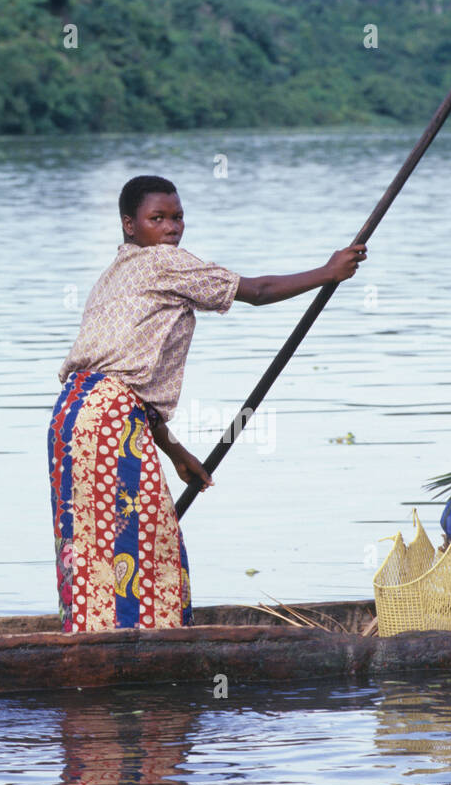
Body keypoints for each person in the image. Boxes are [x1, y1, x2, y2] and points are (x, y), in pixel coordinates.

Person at [49, 175, 366, 633]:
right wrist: (327, 272)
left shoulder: (112, 276)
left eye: (177, 217)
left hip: (71, 417)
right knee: (147, 544)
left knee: (94, 544)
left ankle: (98, 634)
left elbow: (121, 380)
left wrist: (176, 454)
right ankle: (145, 644)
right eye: (157, 218)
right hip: (107, 420)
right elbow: (257, 291)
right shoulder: (162, 262)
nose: (172, 228)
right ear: (130, 225)